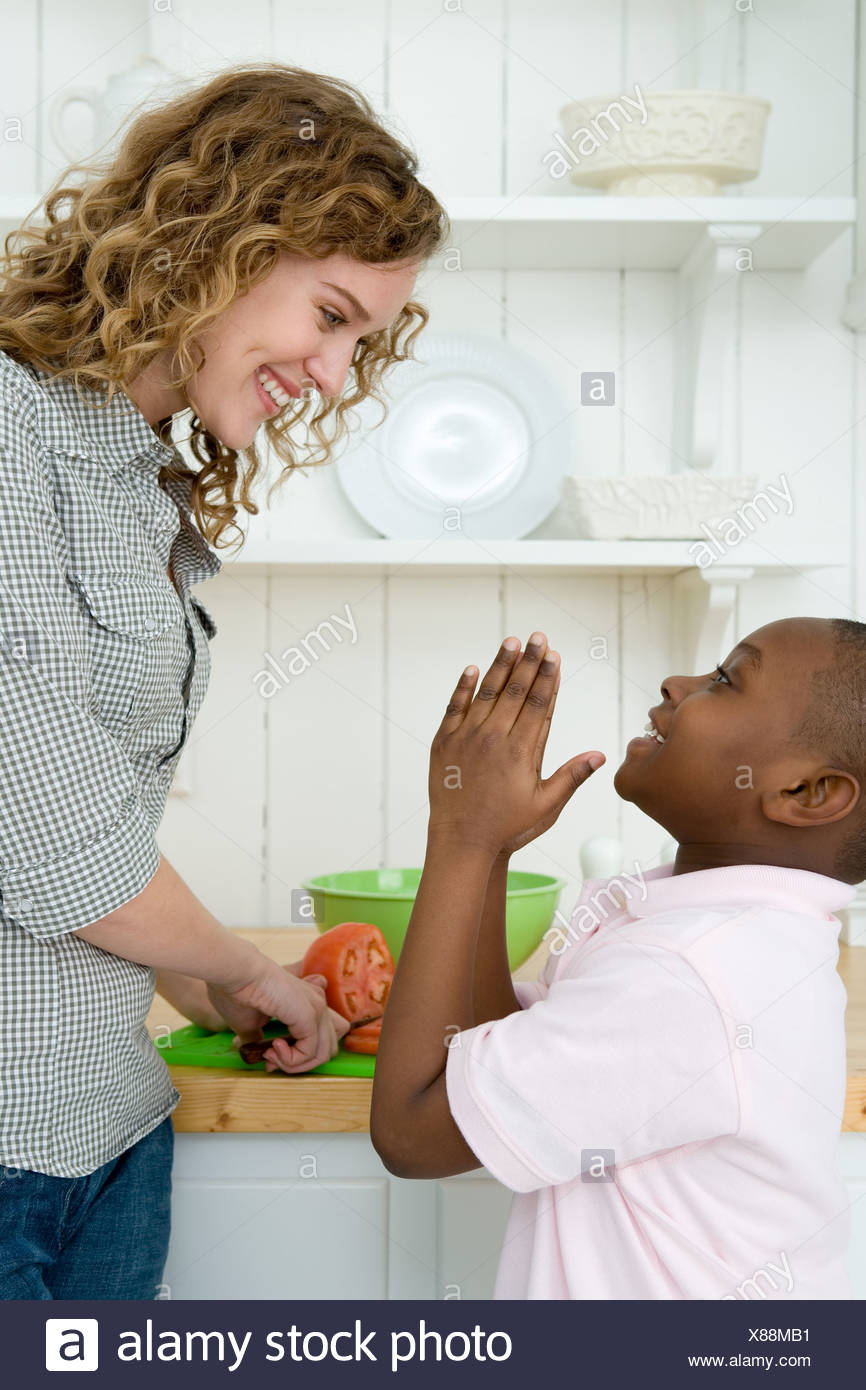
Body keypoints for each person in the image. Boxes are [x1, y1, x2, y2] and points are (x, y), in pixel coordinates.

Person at [0, 61, 447, 1300]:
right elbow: (39, 819)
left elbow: (85, 833)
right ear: (218, 244)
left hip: (104, 1129)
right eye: (331, 315)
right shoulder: (6, 434)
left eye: (363, 339)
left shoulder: (129, 477)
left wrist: (196, 976)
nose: (332, 374)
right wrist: (246, 968)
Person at [362, 617, 864, 1298]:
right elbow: (485, 1049)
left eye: (725, 680)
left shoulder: (690, 973)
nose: (676, 683)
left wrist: (462, 835)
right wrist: (493, 847)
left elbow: (412, 1134)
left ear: (807, 794)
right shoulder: (721, 933)